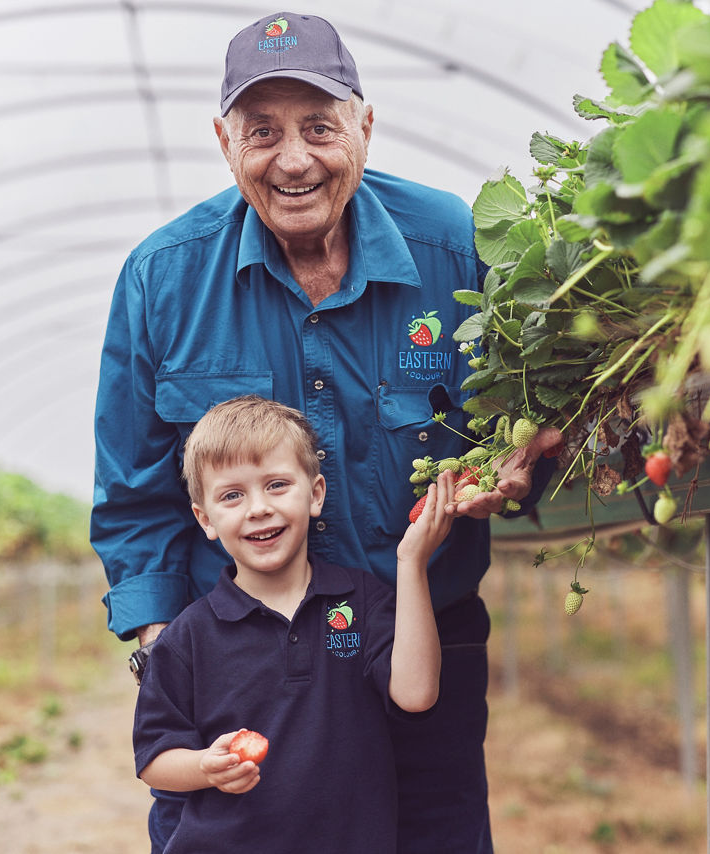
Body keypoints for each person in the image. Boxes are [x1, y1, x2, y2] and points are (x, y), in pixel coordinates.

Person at [91, 10, 561, 852]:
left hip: (422, 639)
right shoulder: (163, 278)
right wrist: (171, 655)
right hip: (239, 656)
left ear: (365, 127)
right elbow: (133, 494)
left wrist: (528, 456)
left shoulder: (456, 249)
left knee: (432, 836)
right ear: (224, 141)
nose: (295, 159)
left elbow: (529, 413)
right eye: (262, 132)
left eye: (319, 126)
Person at [133, 396, 455, 852]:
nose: (258, 508)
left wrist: (412, 562)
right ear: (205, 519)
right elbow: (154, 758)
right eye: (232, 495)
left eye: (277, 485)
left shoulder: (361, 600)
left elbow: (417, 694)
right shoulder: (188, 636)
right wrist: (206, 766)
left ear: (316, 494)